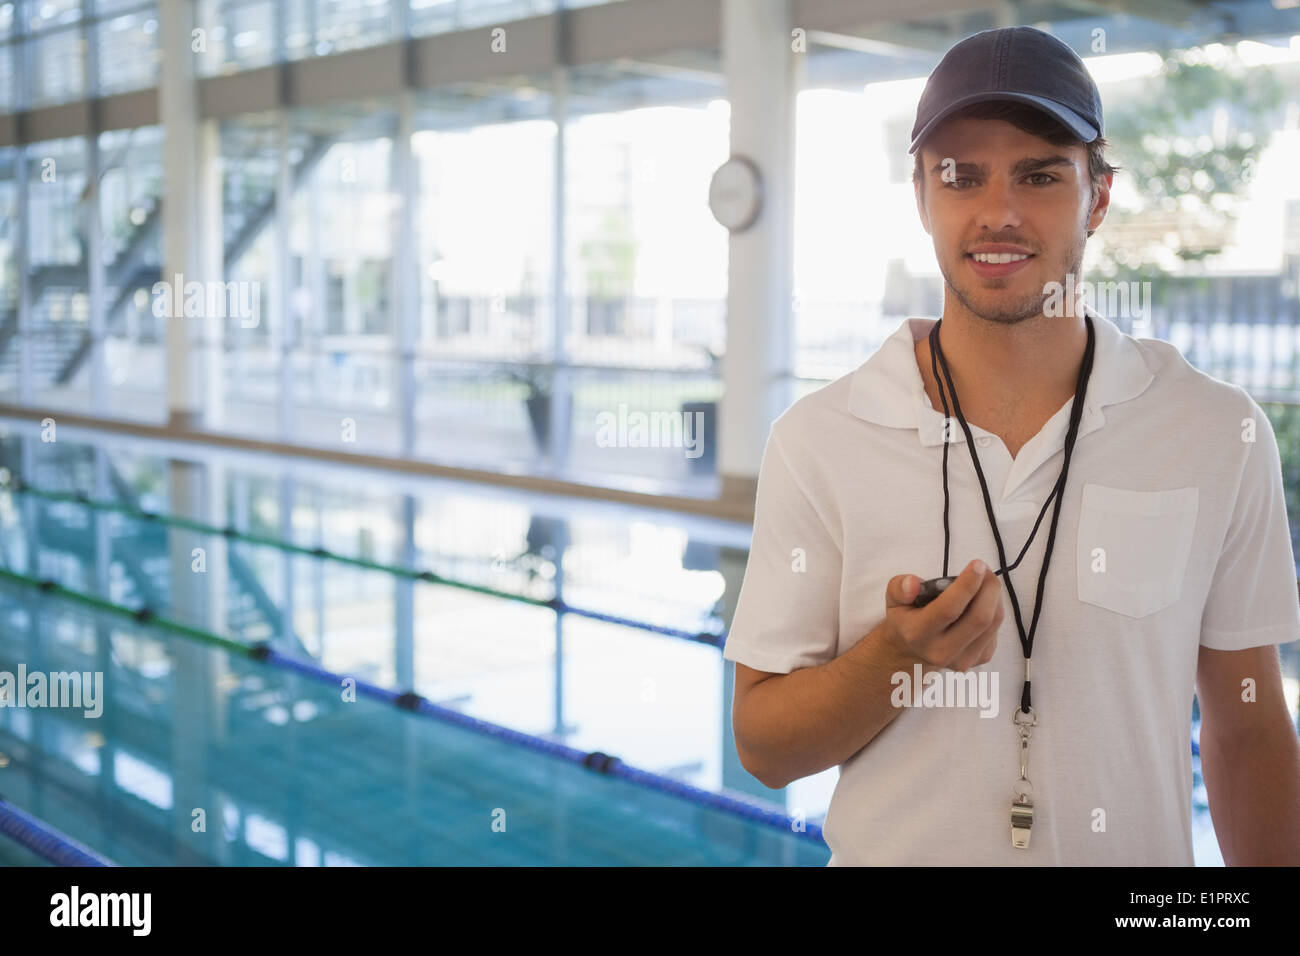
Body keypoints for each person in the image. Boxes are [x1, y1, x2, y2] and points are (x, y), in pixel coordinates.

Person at [724, 25, 1300, 865]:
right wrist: (899, 658)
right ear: (922, 194)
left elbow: (1247, 726)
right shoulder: (822, 440)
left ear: (1097, 197)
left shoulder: (1216, 431)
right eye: (962, 176)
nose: (999, 212)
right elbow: (765, 748)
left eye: (1039, 175)